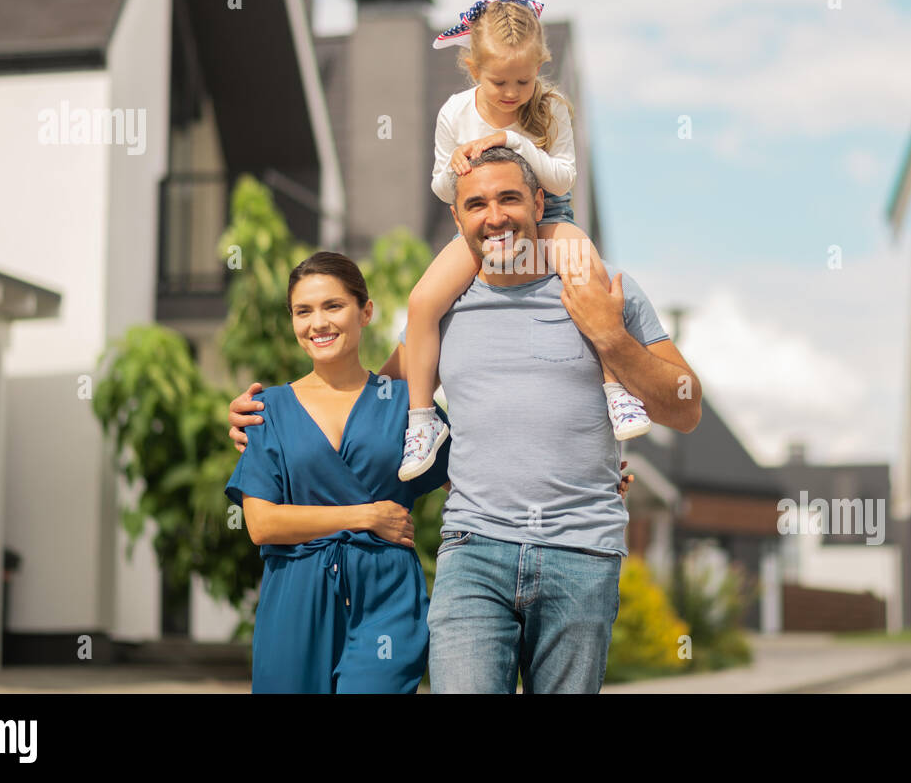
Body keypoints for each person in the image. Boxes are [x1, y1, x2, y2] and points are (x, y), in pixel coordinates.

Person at [230, 149, 701, 693]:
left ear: (540, 203)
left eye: (509, 198)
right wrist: (265, 418)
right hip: (473, 549)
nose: (494, 216)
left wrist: (610, 336)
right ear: (457, 219)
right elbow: (366, 408)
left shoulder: (603, 287)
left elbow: (684, 408)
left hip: (581, 550)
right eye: (476, 203)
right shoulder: (443, 310)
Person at [396, 0, 651, 483]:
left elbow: (562, 178)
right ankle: (422, 421)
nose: (512, 93)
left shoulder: (550, 108)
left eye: (523, 81)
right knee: (423, 301)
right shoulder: (455, 113)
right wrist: (455, 167)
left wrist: (513, 141)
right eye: (499, 83)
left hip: (548, 211)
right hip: (482, 225)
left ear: (539, 68)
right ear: (474, 70)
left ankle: (617, 392)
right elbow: (441, 188)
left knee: (587, 268)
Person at [223, 251, 450, 693]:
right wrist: (364, 516)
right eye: (303, 311)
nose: (318, 323)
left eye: (333, 306)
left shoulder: (405, 400)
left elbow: (473, 473)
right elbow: (262, 523)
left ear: (365, 312)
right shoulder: (267, 409)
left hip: (386, 596)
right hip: (294, 597)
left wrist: (585, 472)